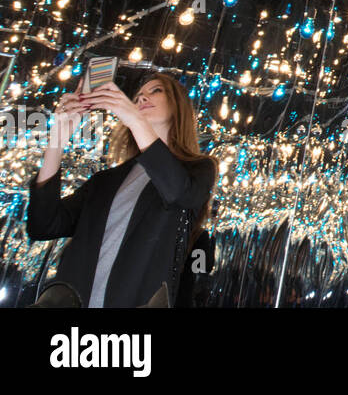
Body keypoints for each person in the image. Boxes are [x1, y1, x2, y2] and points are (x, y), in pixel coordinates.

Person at [26, 74, 217, 308]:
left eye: (156, 90)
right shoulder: (106, 181)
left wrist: (136, 120)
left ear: (179, 105)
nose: (142, 97)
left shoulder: (197, 169)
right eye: (136, 97)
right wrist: (57, 140)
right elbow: (43, 224)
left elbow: (179, 194)